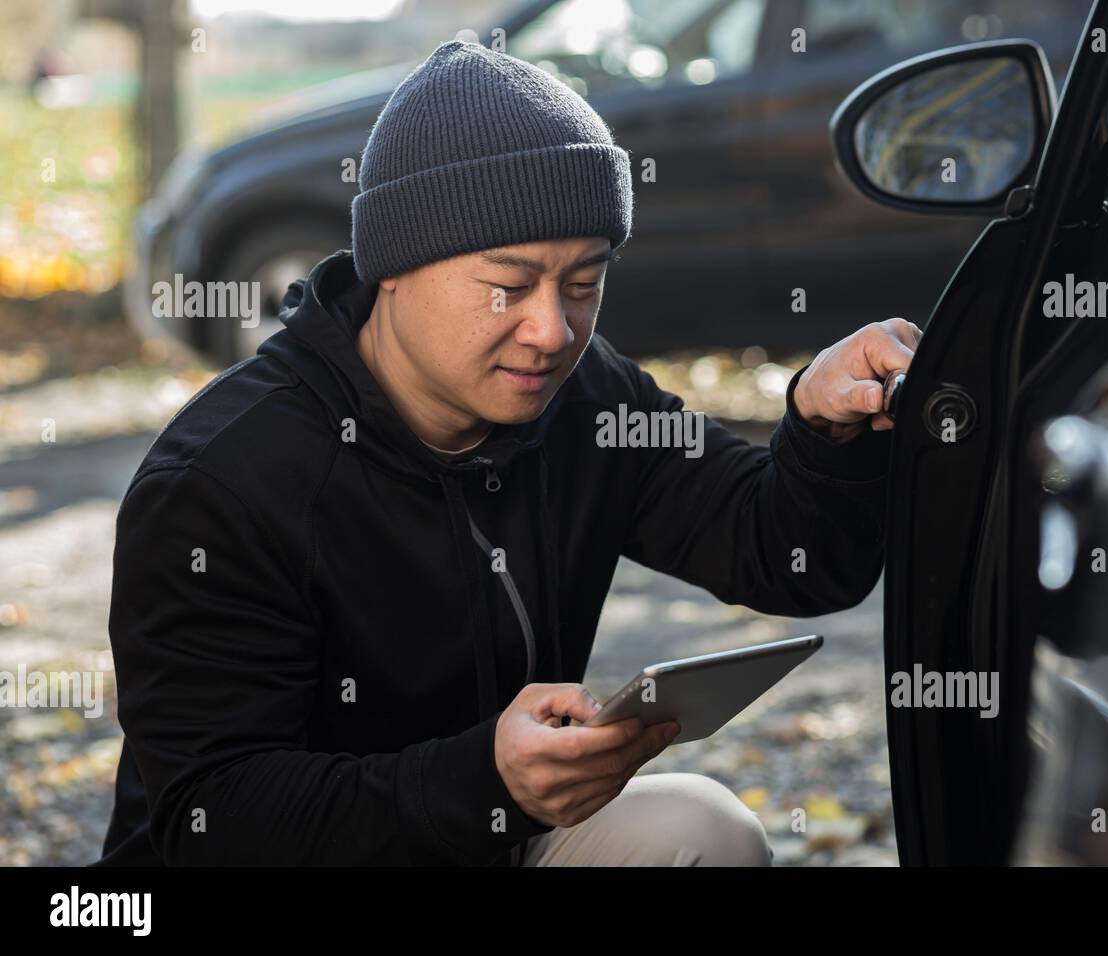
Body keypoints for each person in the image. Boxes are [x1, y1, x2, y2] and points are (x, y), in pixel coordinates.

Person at [97, 40, 920, 866]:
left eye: (584, 283)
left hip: (481, 836)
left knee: (704, 832)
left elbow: (793, 560)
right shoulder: (221, 479)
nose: (553, 331)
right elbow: (218, 818)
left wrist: (822, 425)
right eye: (509, 285)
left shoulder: (583, 398)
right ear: (393, 264)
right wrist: (484, 783)